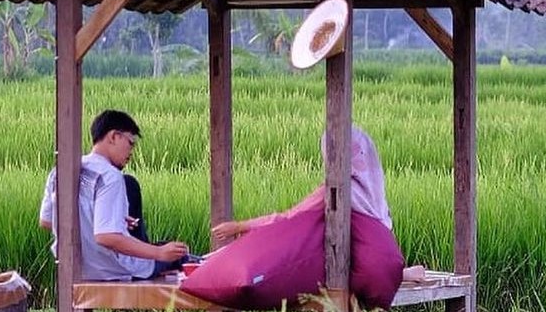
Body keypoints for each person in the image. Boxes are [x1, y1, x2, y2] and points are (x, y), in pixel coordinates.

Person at [39, 109, 189, 280]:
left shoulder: (59, 171)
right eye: (130, 143)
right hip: (112, 269)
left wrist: (101, 219)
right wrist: (159, 252)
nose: (131, 152)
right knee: (180, 255)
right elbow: (106, 237)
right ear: (114, 136)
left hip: (79, 268)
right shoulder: (109, 176)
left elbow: (47, 221)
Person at [211, 125, 393, 246]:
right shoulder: (374, 193)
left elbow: (289, 219)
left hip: (355, 272)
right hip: (386, 266)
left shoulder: (335, 190)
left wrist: (240, 227)